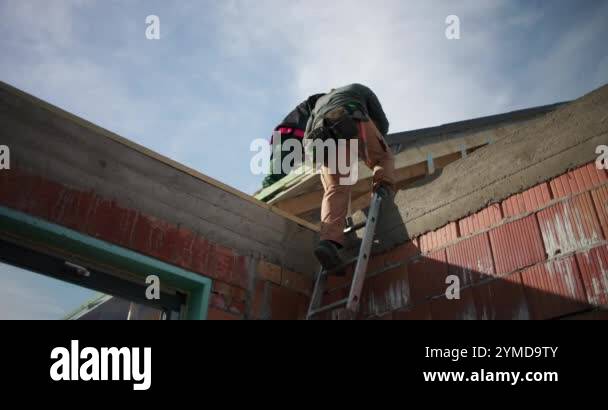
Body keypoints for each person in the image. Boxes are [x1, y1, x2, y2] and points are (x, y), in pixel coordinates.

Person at [304, 83, 396, 271]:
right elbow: (383, 124)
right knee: (383, 156)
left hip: (324, 135)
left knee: (336, 187)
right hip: (351, 119)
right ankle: (382, 191)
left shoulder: (318, 105)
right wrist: (374, 141)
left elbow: (307, 139)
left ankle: (328, 242)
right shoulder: (357, 88)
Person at [261, 93, 326, 189]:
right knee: (275, 178)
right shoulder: (324, 100)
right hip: (290, 135)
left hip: (302, 141)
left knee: (297, 179)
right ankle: (264, 198)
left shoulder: (330, 102)